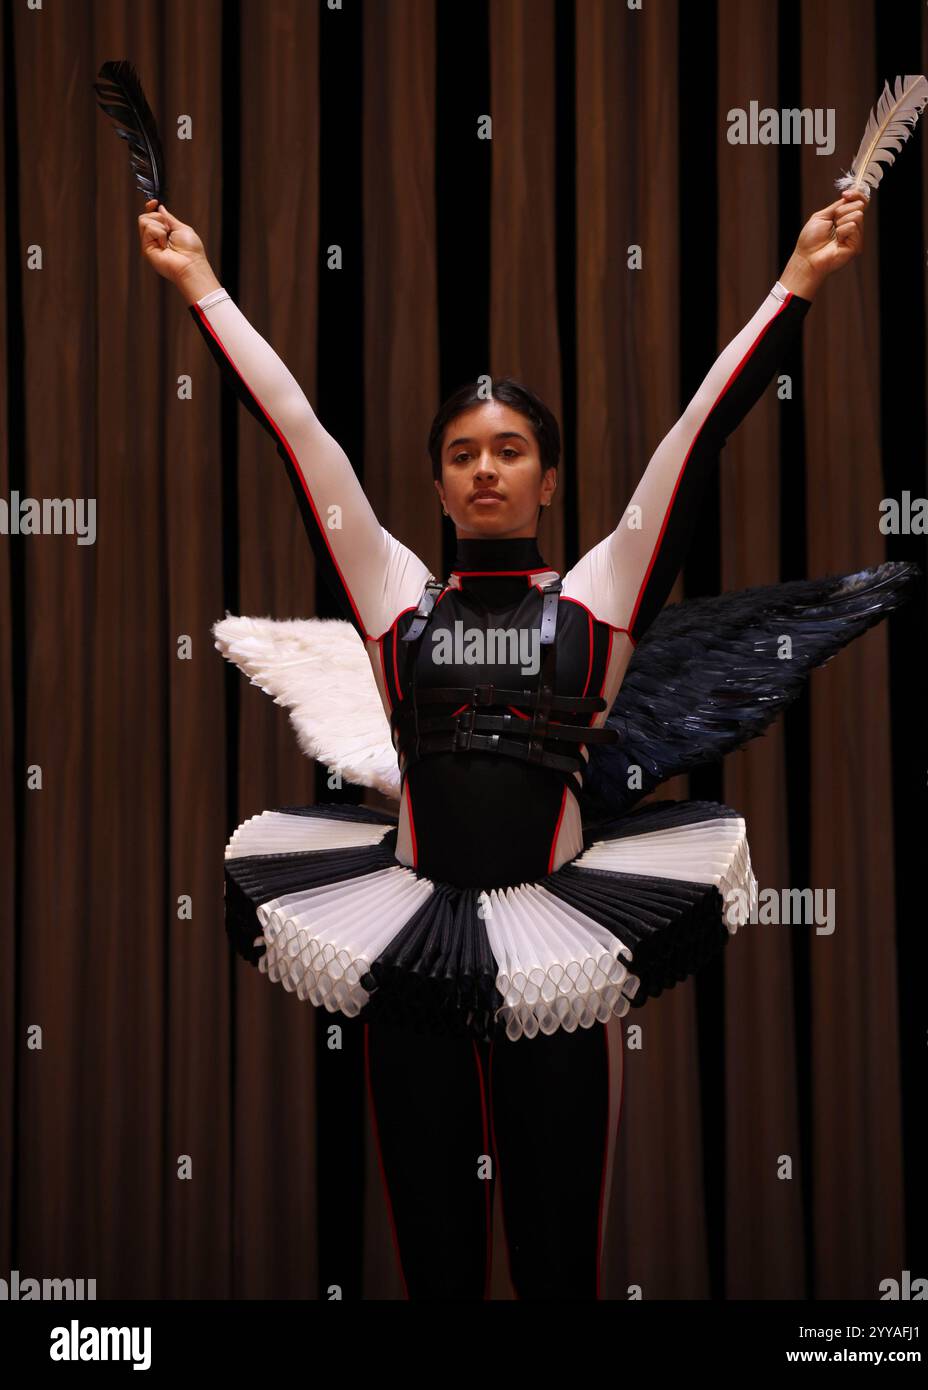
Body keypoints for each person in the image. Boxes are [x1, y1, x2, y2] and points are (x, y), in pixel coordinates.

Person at [138, 190, 868, 1301]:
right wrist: (200, 284)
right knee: (434, 1260)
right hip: (409, 947)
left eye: (510, 450)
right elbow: (297, 432)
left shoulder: (598, 599)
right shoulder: (393, 598)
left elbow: (696, 433)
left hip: (557, 946)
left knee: (557, 1260)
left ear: (547, 479)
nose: (485, 469)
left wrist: (796, 284)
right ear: (436, 486)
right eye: (463, 454)